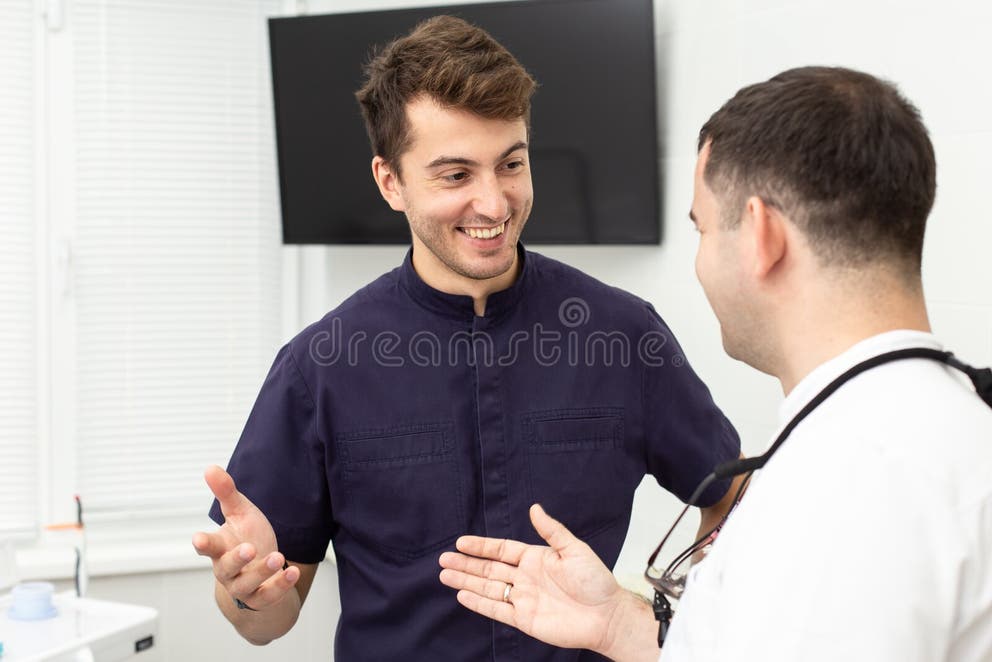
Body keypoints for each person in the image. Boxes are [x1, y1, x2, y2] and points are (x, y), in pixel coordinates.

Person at [191, 15, 742, 661]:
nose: (494, 203)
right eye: (455, 175)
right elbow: (266, 621)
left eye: (511, 163)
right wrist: (247, 590)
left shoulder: (625, 336)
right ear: (390, 181)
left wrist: (681, 622)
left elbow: (730, 499)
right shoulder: (321, 366)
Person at [438, 66, 992, 661]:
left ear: (761, 236)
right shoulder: (937, 423)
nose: (699, 263)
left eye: (701, 229)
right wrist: (619, 624)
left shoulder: (849, 483)